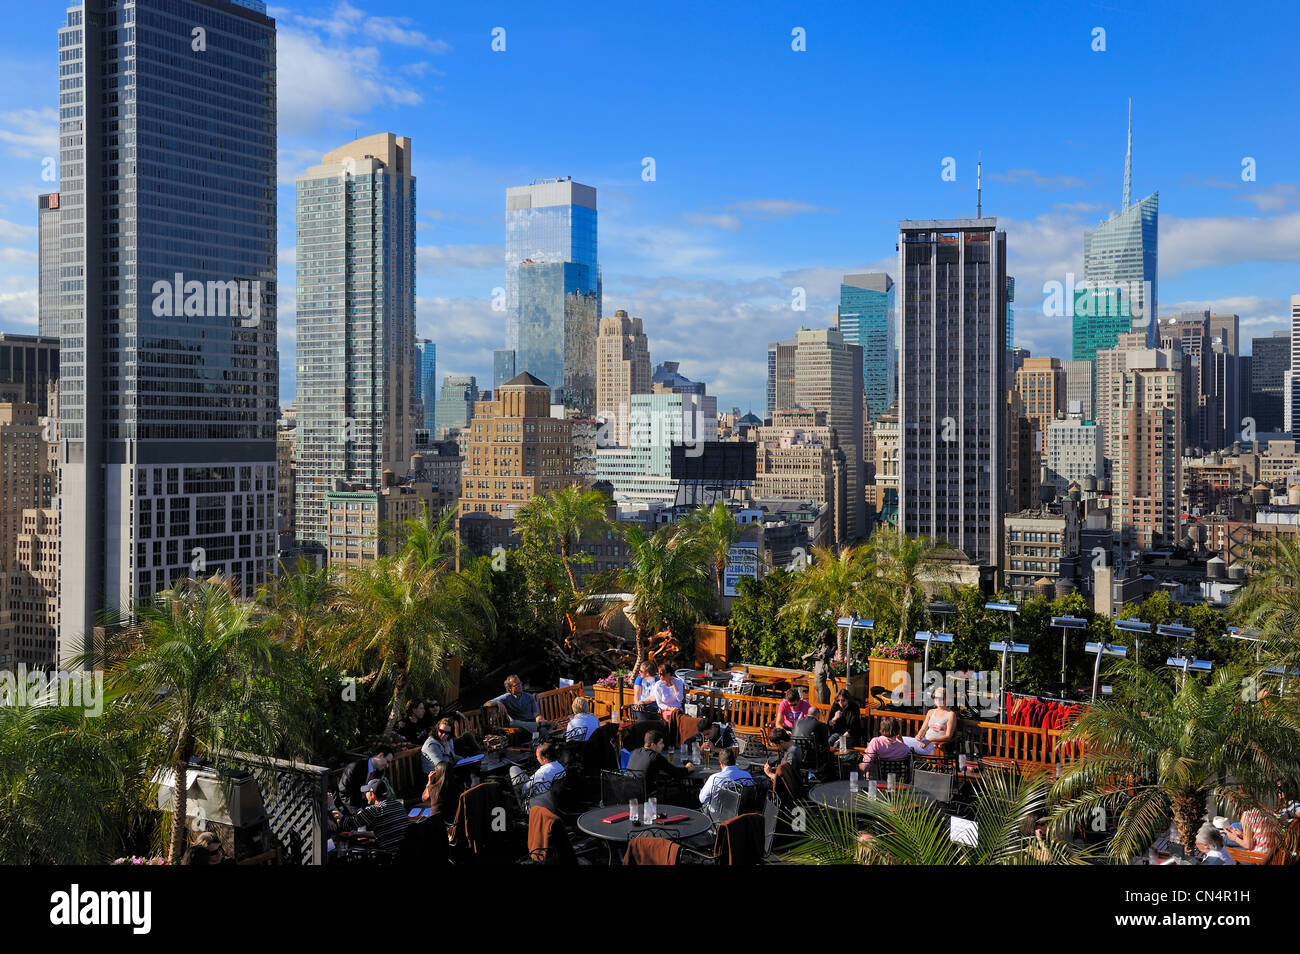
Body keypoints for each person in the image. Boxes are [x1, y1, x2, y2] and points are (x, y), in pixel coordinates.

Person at [355, 779, 411, 853]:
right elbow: (383, 832)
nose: (365, 795)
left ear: (372, 794)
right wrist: (358, 834)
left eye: (366, 792)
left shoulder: (373, 810)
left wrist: (333, 807)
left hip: (393, 856)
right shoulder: (397, 803)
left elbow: (346, 823)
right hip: (409, 850)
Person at [337, 745, 394, 815]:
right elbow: (344, 793)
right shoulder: (354, 767)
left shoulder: (380, 771)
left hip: (367, 808)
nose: (387, 766)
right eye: (387, 761)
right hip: (349, 809)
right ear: (380, 755)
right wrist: (357, 810)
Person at [626, 729, 693, 788]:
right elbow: (675, 772)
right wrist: (688, 768)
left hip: (627, 789)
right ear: (653, 745)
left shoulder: (635, 751)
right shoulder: (655, 757)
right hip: (645, 794)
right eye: (661, 743)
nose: (663, 745)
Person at [909, 686, 956, 755]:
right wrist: (919, 735)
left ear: (947, 699)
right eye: (935, 697)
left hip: (936, 745)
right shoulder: (930, 712)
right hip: (924, 741)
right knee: (900, 742)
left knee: (905, 748)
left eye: (941, 698)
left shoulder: (950, 714)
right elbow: (923, 729)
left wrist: (929, 740)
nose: (938, 700)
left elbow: (948, 736)